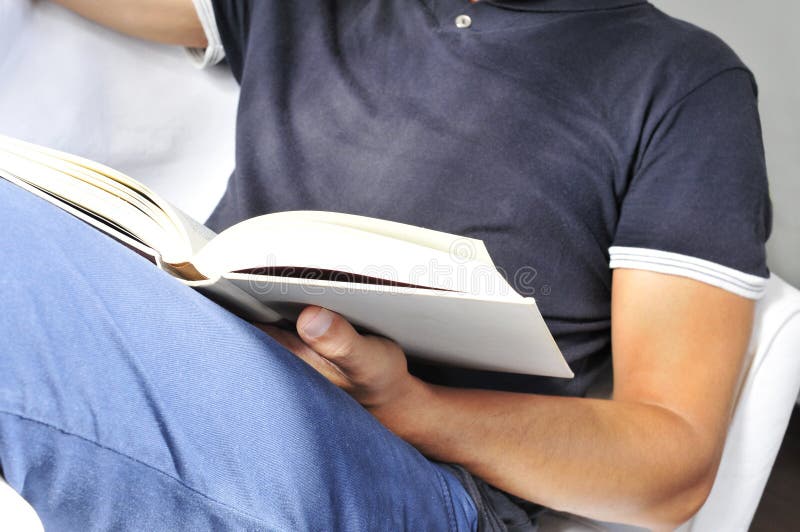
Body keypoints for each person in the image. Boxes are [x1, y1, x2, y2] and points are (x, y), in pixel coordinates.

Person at [1, 0, 771, 530]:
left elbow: (669, 464)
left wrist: (414, 409)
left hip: (406, 480)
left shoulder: (683, 83)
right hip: (195, 362)